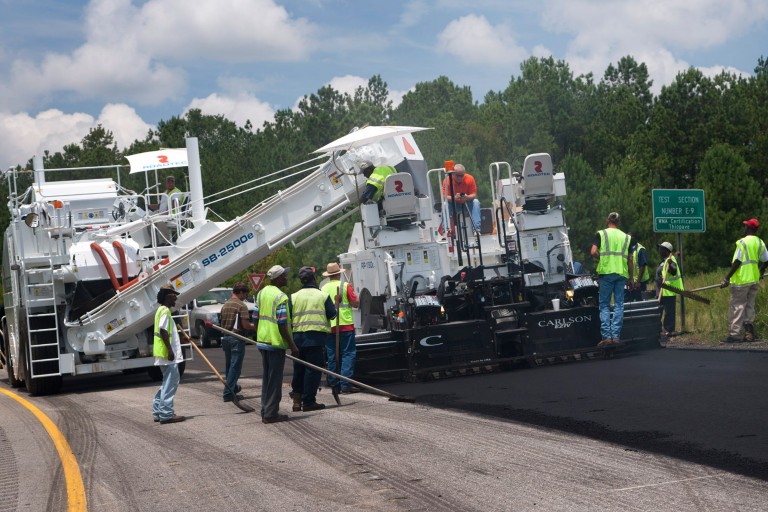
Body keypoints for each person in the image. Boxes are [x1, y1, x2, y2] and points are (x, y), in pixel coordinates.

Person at [254, 265, 299, 424]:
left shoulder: (261, 293)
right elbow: (281, 324)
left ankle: (265, 409)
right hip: (275, 343)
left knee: (267, 378)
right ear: (279, 278)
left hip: (262, 341)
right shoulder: (280, 297)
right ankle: (271, 414)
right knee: (274, 380)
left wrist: (260, 334)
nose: (286, 278)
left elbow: (255, 317)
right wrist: (292, 345)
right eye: (284, 276)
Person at [289, 266, 336, 412]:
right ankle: (309, 401)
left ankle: (297, 401)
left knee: (299, 369)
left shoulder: (293, 296)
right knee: (312, 370)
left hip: (297, 338)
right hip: (315, 339)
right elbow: (332, 314)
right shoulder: (322, 296)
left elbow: (289, 315)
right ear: (314, 279)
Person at [720, 218, 768, 343]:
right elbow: (766, 259)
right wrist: (761, 271)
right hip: (754, 280)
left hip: (741, 280)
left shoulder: (742, 242)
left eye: (745, 226)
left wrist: (727, 278)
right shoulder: (759, 242)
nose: (744, 228)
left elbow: (737, 261)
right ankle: (749, 334)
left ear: (749, 228)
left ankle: (734, 334)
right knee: (749, 306)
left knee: (738, 307)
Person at [590, 212, 634, 345]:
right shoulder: (626, 237)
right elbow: (630, 259)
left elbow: (592, 251)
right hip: (621, 273)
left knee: (604, 305)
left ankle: (606, 337)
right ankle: (615, 336)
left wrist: (601, 258)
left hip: (606, 273)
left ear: (607, 220)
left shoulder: (601, 234)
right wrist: (631, 278)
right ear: (619, 222)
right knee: (619, 304)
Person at [321, 262, 361, 394]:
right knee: (348, 354)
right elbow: (355, 304)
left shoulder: (323, 288)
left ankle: (333, 383)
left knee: (331, 355)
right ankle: (345, 384)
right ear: (338, 274)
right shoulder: (345, 286)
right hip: (345, 325)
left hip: (329, 326)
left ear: (329, 276)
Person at [152, 285, 185, 424]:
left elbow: (167, 331)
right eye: (174, 295)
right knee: (171, 383)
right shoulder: (165, 311)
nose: (176, 298)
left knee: (166, 383)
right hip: (167, 354)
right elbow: (163, 331)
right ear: (167, 295)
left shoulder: (160, 310)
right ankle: (166, 414)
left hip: (162, 354)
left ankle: (158, 411)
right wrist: (170, 350)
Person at [218, 282, 255, 402]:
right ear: (241, 292)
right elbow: (245, 325)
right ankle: (228, 393)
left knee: (229, 366)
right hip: (236, 338)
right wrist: (255, 326)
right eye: (245, 294)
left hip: (226, 338)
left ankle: (232, 388)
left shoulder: (226, 305)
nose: (245, 296)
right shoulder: (241, 305)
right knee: (235, 368)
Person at [656, 242, 683, 336]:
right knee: (657, 311)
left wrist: (670, 264)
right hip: (660, 291)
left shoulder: (670, 260)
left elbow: (674, 271)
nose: (659, 250)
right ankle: (657, 330)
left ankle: (669, 330)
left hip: (668, 291)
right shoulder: (663, 261)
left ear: (666, 251)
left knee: (669, 313)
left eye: (661, 249)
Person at [628, 235, 650, 301]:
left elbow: (642, 266)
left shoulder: (640, 249)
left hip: (640, 282)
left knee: (640, 301)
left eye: (630, 238)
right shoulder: (629, 249)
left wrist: (638, 282)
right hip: (632, 281)